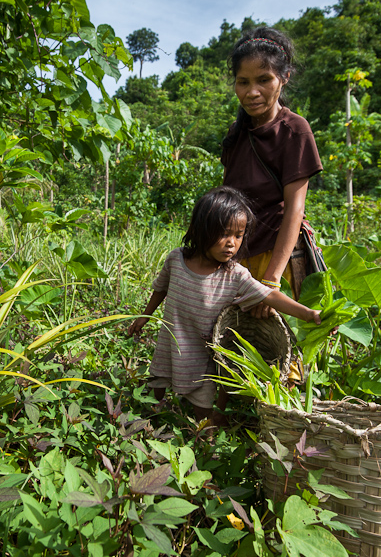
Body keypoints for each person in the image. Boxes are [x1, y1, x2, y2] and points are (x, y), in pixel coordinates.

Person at [127, 187, 321, 424]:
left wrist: (308, 313)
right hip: (171, 340)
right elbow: (161, 288)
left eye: (239, 236)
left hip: (201, 354)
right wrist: (145, 316)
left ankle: (206, 441)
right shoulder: (176, 260)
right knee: (156, 386)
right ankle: (149, 425)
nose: (232, 243)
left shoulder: (235, 275)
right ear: (202, 230)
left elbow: (269, 296)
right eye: (224, 234)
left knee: (201, 410)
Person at [221, 27, 323, 315]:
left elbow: (294, 209)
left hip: (278, 258)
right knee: (235, 347)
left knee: (279, 351)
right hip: (237, 256)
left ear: (284, 78)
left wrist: (272, 281)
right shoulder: (237, 133)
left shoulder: (294, 130)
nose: (252, 92)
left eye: (264, 80)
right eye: (243, 82)